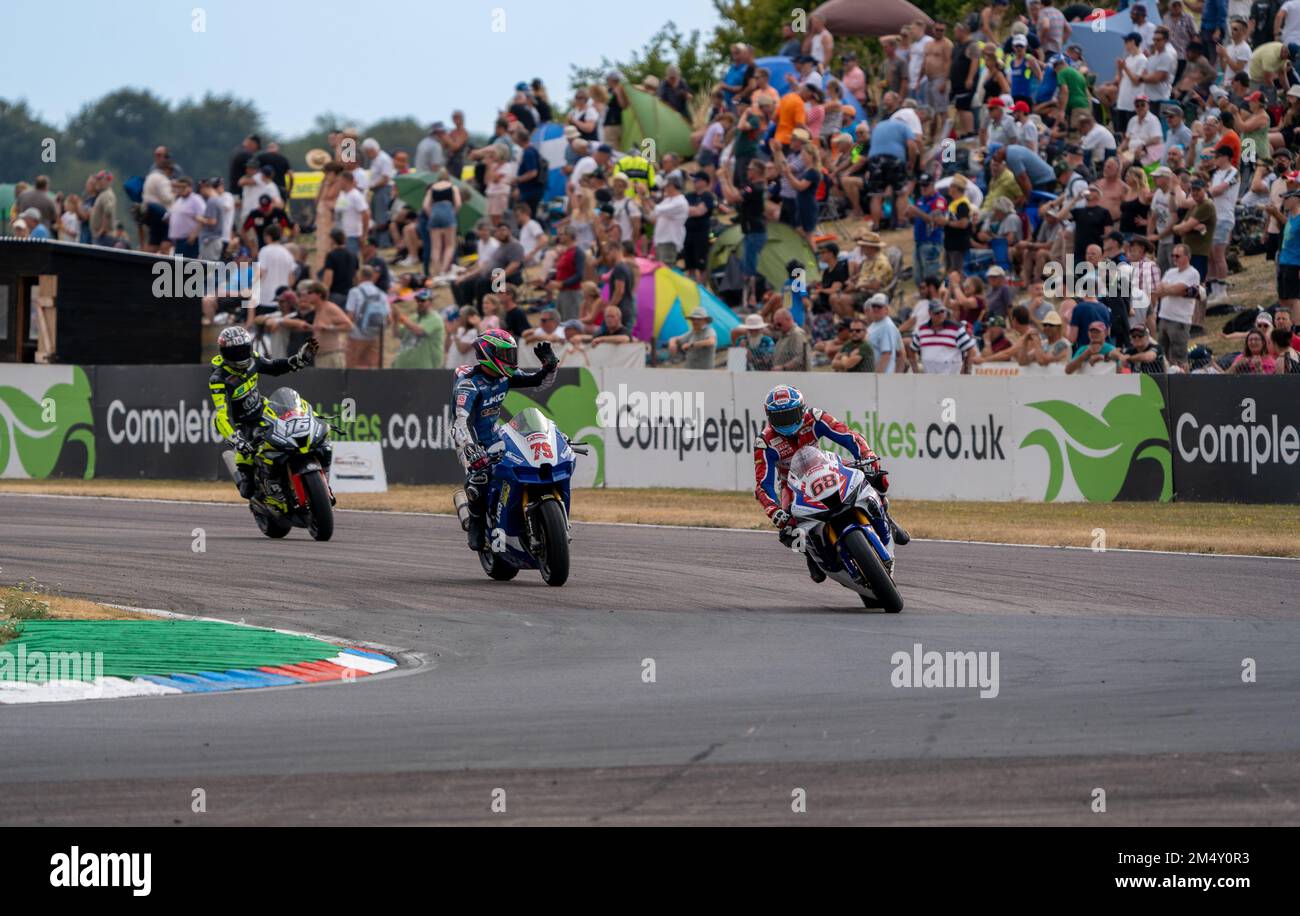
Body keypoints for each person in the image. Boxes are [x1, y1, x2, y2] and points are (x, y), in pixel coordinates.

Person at [753, 384, 909, 585]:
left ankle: (884, 513)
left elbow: (848, 436)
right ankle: (810, 555)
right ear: (769, 417)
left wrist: (866, 456)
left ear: (801, 410)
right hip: (793, 484)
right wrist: (774, 511)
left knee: (874, 475)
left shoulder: (815, 418)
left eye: (791, 414)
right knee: (788, 530)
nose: (787, 422)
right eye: (780, 417)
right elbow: (762, 485)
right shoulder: (764, 442)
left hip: (826, 466)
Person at [452, 331, 559, 550]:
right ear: (488, 354)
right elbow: (460, 421)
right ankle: (476, 524)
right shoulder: (469, 385)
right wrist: (471, 449)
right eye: (504, 353)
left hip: (494, 434)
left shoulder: (505, 376)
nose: (510, 358)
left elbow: (538, 382)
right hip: (468, 438)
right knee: (480, 477)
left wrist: (550, 367)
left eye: (511, 353)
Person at [208, 325, 319, 499]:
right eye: (235, 353)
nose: (241, 356)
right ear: (224, 354)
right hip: (245, 424)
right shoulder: (219, 379)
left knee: (299, 417)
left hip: (265, 409)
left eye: (244, 350)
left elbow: (274, 366)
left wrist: (298, 360)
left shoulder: (253, 359)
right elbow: (220, 416)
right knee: (247, 490)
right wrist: (237, 441)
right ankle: (250, 480)